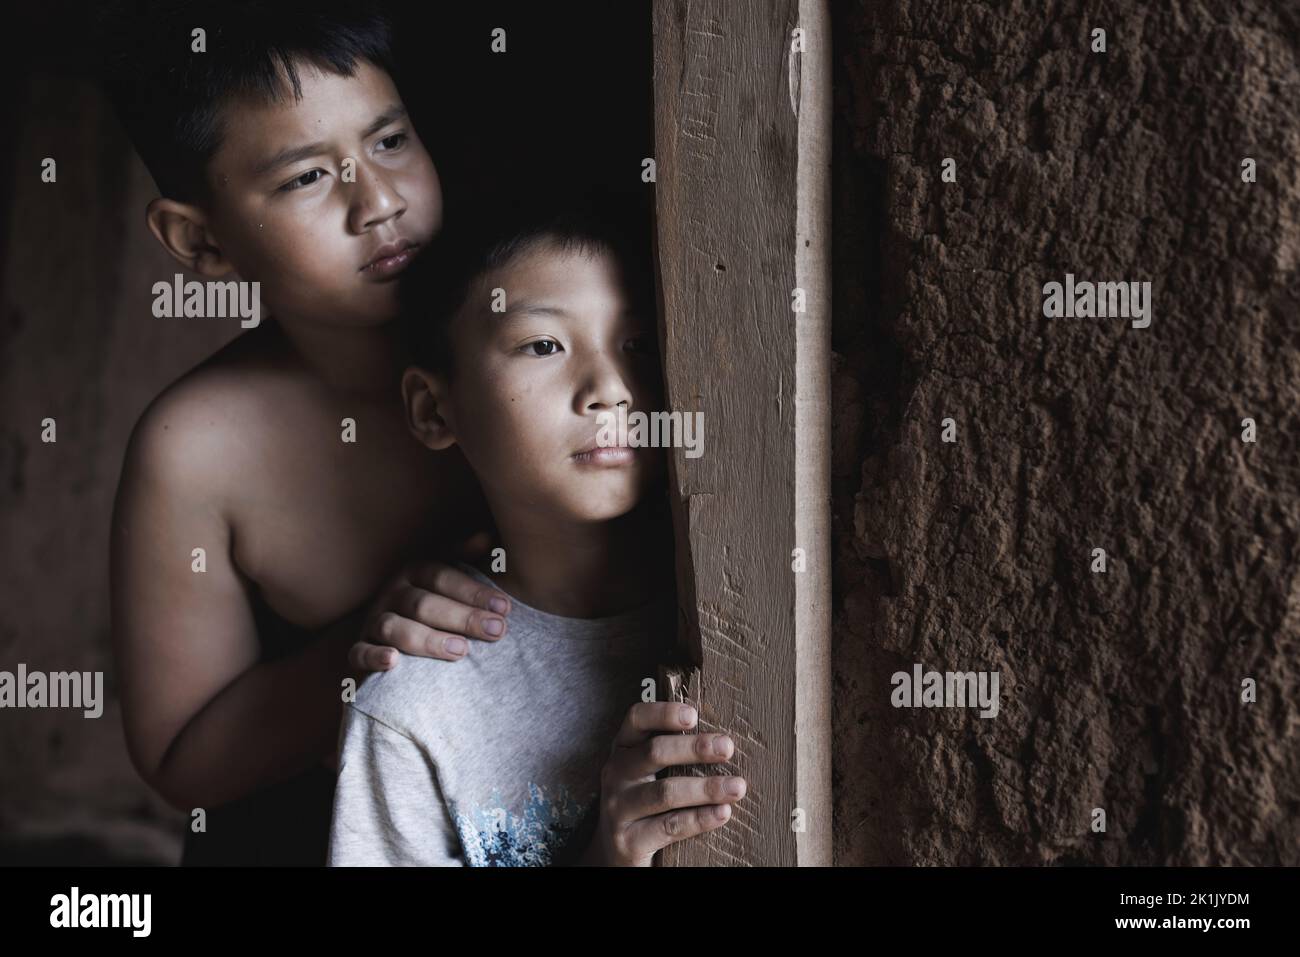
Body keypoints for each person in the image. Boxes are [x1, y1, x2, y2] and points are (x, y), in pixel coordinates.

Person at [101, 0, 505, 865]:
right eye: (306, 178)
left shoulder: (548, 336)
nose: (379, 201)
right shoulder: (197, 445)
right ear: (200, 241)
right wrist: (363, 652)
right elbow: (180, 759)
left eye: (389, 140)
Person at [328, 195, 747, 866]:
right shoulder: (416, 702)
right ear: (434, 408)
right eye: (544, 345)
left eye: (638, 344)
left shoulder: (750, 610)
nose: (610, 388)